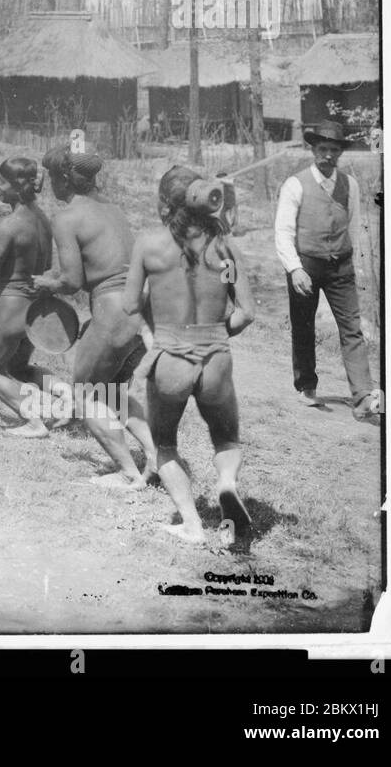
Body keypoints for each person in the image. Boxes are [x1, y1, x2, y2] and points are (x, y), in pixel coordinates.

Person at [124, 167, 256, 547]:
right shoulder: (223, 247)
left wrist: (155, 332)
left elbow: (130, 304)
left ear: (165, 203)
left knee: (164, 444)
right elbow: (246, 312)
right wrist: (214, 333)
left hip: (169, 358)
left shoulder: (149, 245)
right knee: (225, 436)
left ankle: (192, 525)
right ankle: (227, 483)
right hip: (216, 357)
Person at [33, 145, 157, 488]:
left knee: (86, 394)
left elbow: (72, 282)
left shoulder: (67, 217)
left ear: (63, 179)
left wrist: (47, 283)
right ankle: (156, 458)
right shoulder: (113, 209)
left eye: (50, 177)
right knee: (113, 394)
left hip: (113, 310)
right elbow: (105, 265)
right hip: (141, 310)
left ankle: (128, 473)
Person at [274, 121, 379, 424]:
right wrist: (295, 269)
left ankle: (362, 397)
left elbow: (354, 226)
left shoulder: (351, 184)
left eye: (334, 150)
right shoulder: (295, 184)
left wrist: (352, 266)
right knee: (304, 326)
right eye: (322, 149)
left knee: (352, 329)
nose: (328, 155)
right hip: (306, 264)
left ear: (340, 153)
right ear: (313, 150)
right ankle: (306, 385)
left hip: (341, 267)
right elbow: (283, 232)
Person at [0, 156, 65, 436]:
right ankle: (67, 397)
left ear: (16, 186)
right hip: (36, 303)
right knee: (19, 366)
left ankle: (34, 422)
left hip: (11, 302)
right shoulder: (43, 219)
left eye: (2, 182)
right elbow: (45, 265)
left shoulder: (11, 224)